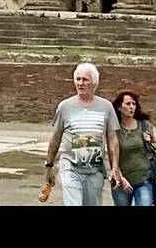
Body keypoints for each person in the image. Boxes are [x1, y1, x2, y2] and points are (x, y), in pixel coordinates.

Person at [44, 63, 121, 206]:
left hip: (95, 170)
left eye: (85, 80)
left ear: (94, 83)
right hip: (70, 167)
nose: (80, 83)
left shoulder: (106, 107)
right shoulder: (65, 107)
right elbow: (55, 138)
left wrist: (115, 168)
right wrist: (49, 165)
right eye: (78, 79)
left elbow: (113, 140)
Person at [110, 90, 156, 206]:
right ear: (119, 107)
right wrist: (120, 177)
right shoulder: (114, 129)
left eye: (134, 104)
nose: (131, 107)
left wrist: (150, 142)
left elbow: (155, 145)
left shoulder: (144, 125)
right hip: (121, 180)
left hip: (144, 179)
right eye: (128, 104)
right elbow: (112, 154)